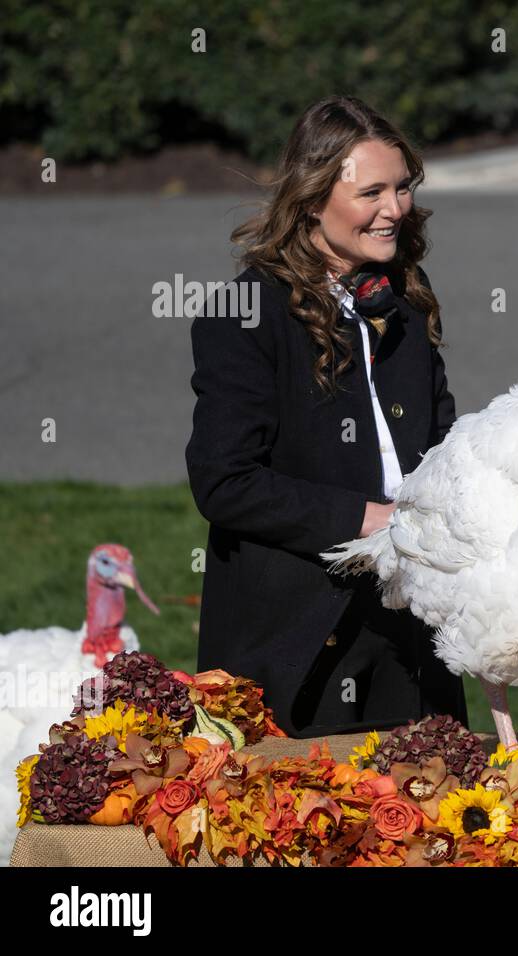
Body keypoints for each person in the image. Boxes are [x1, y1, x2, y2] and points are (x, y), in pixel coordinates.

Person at [186, 95, 466, 737]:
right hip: (298, 638)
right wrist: (371, 520)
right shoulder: (246, 314)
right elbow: (224, 481)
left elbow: (442, 440)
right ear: (313, 199)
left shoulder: (404, 296)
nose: (395, 209)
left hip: (411, 625)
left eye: (402, 187)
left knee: (432, 796)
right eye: (372, 193)